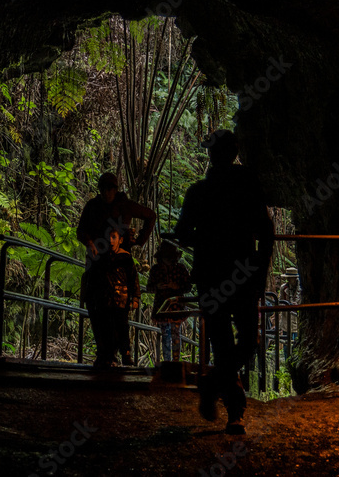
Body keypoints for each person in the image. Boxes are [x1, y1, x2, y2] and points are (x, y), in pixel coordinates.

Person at [174, 129, 274, 435]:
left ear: (212, 155)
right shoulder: (249, 187)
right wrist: (260, 272)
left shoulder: (198, 192)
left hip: (211, 277)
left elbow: (181, 233)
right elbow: (267, 232)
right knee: (247, 342)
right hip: (243, 275)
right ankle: (234, 411)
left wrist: (204, 238)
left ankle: (220, 392)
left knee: (224, 344)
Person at [77, 172, 155, 367]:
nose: (106, 193)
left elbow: (151, 216)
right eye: (103, 189)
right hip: (97, 263)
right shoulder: (93, 206)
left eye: (110, 189)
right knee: (97, 310)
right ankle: (104, 353)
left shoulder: (124, 205)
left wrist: (139, 240)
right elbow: (81, 230)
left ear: (115, 189)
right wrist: (90, 242)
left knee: (118, 314)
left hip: (120, 263)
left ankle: (118, 353)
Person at [85, 227, 141, 368]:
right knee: (107, 327)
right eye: (108, 237)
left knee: (122, 327)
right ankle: (109, 356)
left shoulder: (126, 258)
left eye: (114, 237)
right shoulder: (101, 257)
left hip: (121, 299)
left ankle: (125, 353)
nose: (111, 240)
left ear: (120, 240)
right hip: (105, 299)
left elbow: (133, 279)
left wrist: (135, 298)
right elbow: (94, 278)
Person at [146, 241, 192, 361]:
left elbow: (188, 287)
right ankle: (167, 361)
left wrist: (176, 286)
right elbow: (149, 287)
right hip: (162, 307)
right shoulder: (155, 270)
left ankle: (175, 361)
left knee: (176, 333)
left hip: (177, 307)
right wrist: (158, 287)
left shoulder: (181, 269)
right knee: (165, 334)